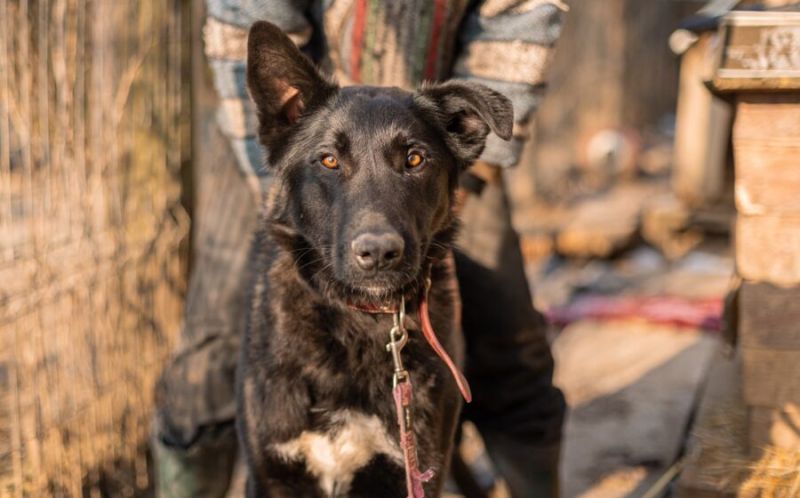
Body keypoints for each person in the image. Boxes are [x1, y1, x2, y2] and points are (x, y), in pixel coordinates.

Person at [153, 1, 568, 497]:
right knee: (210, 347)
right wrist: (295, 169)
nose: (376, 246)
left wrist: (453, 176)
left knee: (511, 340)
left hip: (436, 121)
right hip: (296, 137)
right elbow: (253, 17)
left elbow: (523, 12)